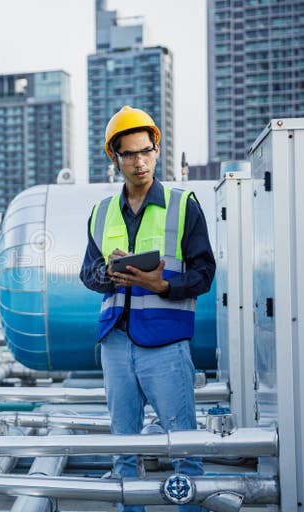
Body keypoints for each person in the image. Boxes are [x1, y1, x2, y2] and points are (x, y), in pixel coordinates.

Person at [79, 106, 215, 512]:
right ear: (114, 158)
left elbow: (205, 273)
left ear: (157, 151)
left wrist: (163, 284)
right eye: (130, 154)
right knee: (124, 451)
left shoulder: (182, 205)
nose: (140, 162)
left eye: (147, 151)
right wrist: (110, 274)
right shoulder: (101, 212)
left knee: (184, 451)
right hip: (116, 343)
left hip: (167, 344)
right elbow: (88, 273)